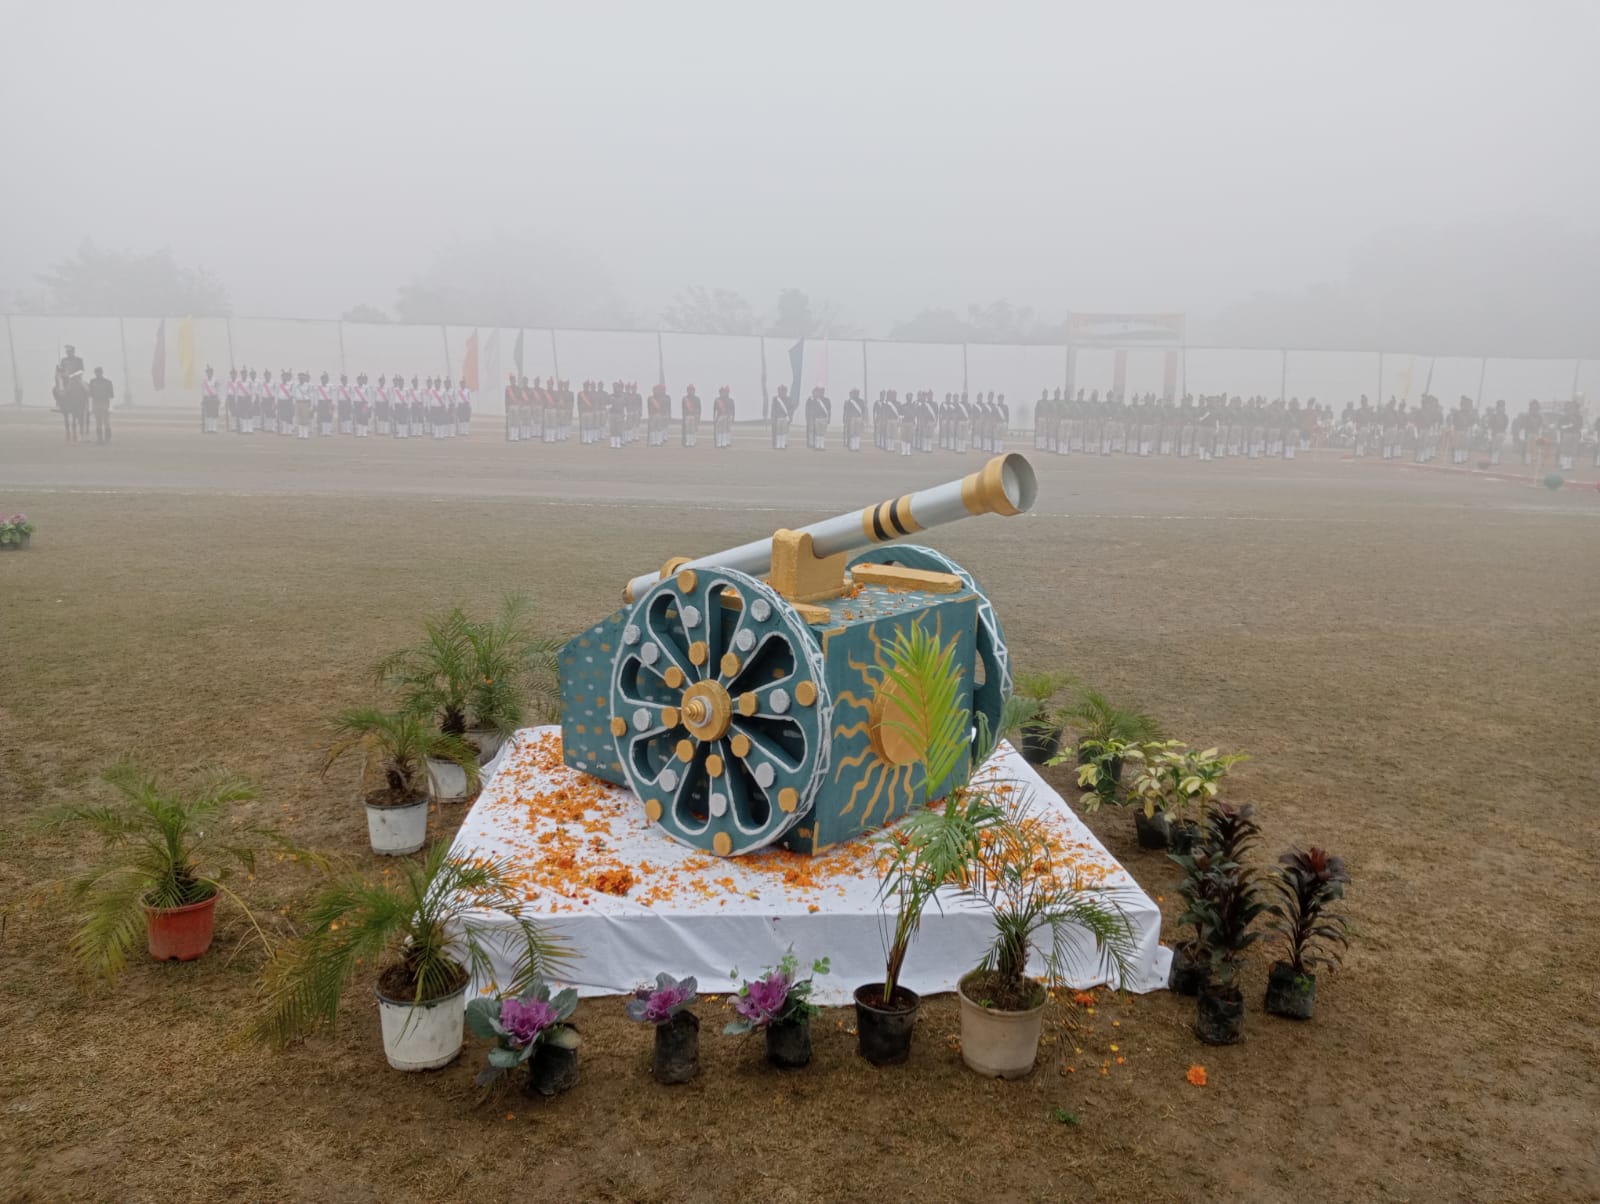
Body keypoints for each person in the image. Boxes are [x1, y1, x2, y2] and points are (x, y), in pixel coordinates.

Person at [88, 366, 114, 444]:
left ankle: (107, 439)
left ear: (102, 372)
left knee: (106, 422)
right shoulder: (92, 381)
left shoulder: (108, 382)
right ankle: (100, 439)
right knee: (98, 422)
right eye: (96, 372)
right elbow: (90, 394)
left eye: (99, 372)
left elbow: (111, 395)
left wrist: (110, 406)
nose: (98, 374)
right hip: (96, 403)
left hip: (105, 403)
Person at [770, 384, 792, 450]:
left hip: (785, 418)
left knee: (784, 432)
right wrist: (773, 418)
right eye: (780, 390)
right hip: (777, 418)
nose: (782, 392)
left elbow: (791, 409)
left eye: (783, 390)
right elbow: (773, 409)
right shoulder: (775, 399)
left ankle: (783, 444)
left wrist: (790, 417)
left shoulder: (788, 399)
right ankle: (777, 444)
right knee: (777, 432)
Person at [201, 366, 221, 433]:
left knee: (214, 413)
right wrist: (203, 399)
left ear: (212, 373)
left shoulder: (216, 380)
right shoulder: (204, 380)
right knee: (208, 414)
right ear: (207, 373)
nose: (209, 373)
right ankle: (209, 428)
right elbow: (203, 390)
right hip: (207, 398)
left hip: (214, 398)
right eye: (208, 372)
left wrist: (218, 398)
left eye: (210, 372)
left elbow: (218, 390)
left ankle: (214, 428)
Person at [843, 388, 864, 452]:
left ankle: (856, 446)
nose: (856, 394)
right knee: (852, 433)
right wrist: (846, 419)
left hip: (858, 418)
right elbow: (847, 411)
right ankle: (852, 446)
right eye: (854, 393)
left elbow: (863, 410)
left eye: (856, 393)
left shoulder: (861, 401)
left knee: (857, 433)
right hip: (851, 418)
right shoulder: (849, 401)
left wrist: (863, 419)